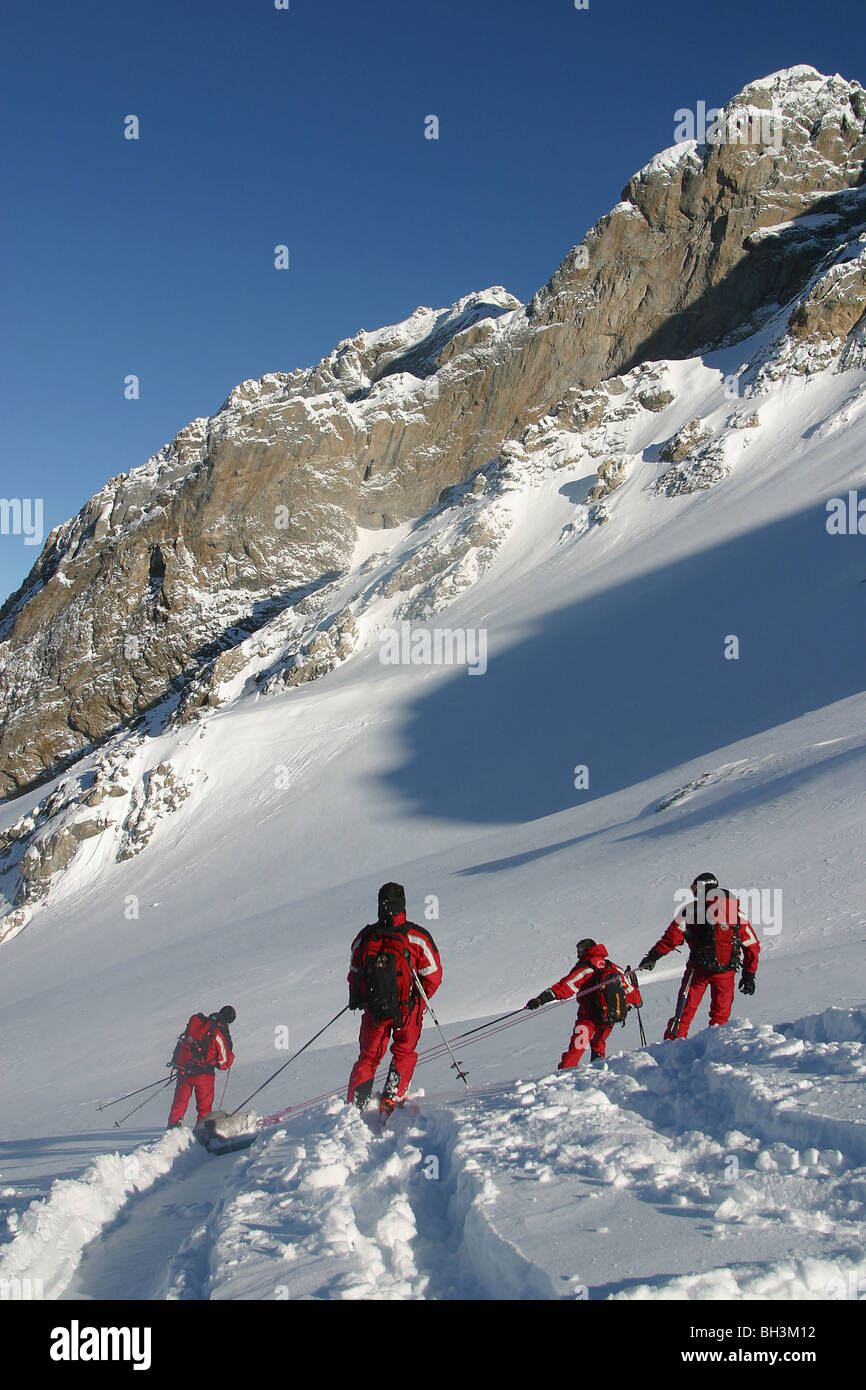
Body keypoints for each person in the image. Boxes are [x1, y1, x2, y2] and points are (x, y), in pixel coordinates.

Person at [347, 882, 442, 1114]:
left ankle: (355, 1108)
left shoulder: (366, 936)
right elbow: (433, 974)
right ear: (403, 905)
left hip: (374, 1010)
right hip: (407, 1009)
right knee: (403, 1052)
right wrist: (419, 1001)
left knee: (368, 1057)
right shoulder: (416, 936)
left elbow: (355, 971)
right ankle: (391, 1103)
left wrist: (358, 996)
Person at [638, 871, 760, 1039]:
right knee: (720, 1017)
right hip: (726, 971)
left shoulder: (691, 910)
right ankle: (717, 1049)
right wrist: (749, 975)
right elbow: (752, 945)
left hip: (698, 970)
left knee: (683, 1014)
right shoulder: (736, 912)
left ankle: (672, 1046)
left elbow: (671, 938)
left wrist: (652, 957)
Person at [526, 938, 642, 1069]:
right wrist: (637, 1001)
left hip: (588, 1017)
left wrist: (541, 999)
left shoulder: (587, 967)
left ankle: (564, 1074)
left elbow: (565, 987)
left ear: (587, 950)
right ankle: (598, 1070)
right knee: (599, 1044)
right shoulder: (611, 966)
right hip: (611, 1015)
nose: (577, 955)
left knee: (576, 1049)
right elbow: (629, 989)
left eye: (579, 951)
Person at [167, 1005, 236, 1128]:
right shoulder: (219, 1033)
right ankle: (201, 1132)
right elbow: (224, 1063)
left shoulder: (199, 1022)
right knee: (204, 1108)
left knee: (179, 1104)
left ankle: (172, 1130)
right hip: (203, 1076)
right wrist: (231, 1057)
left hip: (185, 1069)